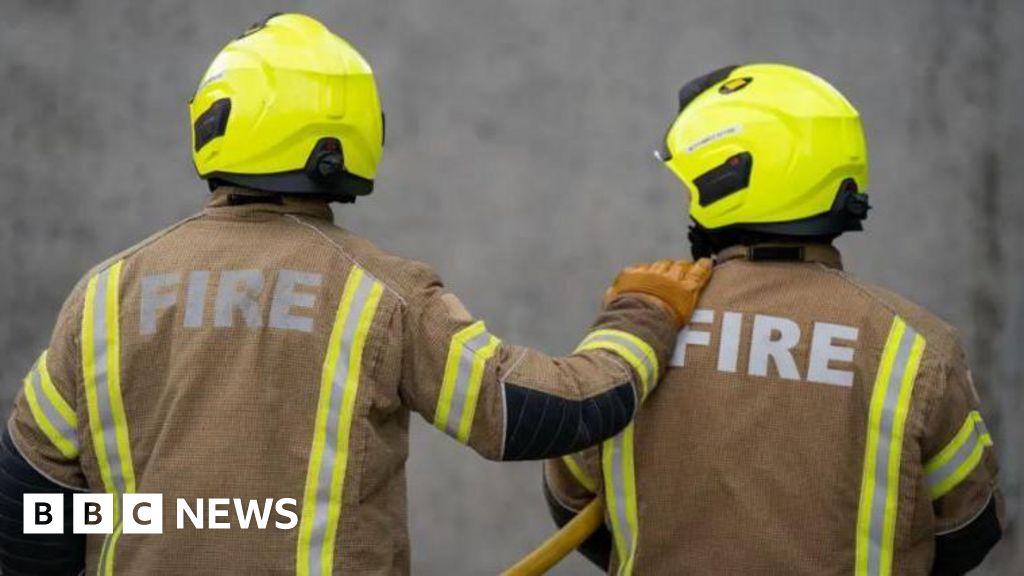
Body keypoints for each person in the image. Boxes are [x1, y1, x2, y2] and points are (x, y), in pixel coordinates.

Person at [0, 13, 713, 575]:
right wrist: (642, 317)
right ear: (352, 135)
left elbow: (30, 496)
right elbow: (530, 412)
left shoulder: (107, 295)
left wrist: (171, 522)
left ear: (212, 123)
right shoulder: (381, 294)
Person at [543, 63, 1003, 575]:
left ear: (726, 180)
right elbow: (969, 529)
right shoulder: (915, 347)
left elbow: (572, 502)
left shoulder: (640, 326)